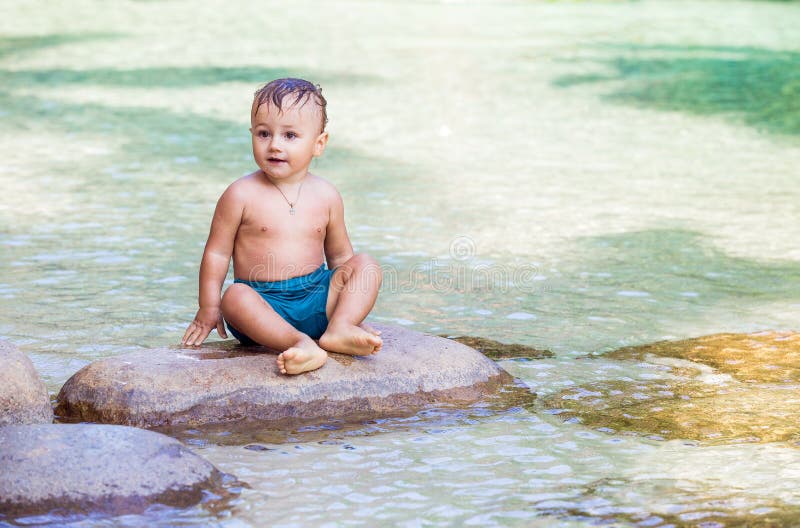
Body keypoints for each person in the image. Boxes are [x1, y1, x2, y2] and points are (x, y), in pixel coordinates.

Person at [181, 78, 383, 375]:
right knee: (234, 297)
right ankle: (301, 343)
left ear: (319, 143)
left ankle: (339, 329)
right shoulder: (240, 194)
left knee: (366, 265)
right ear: (251, 134)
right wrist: (208, 308)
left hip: (316, 298)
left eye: (290, 135)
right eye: (263, 133)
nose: (274, 145)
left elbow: (340, 258)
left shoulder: (327, 195)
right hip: (263, 308)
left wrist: (350, 310)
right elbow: (216, 255)